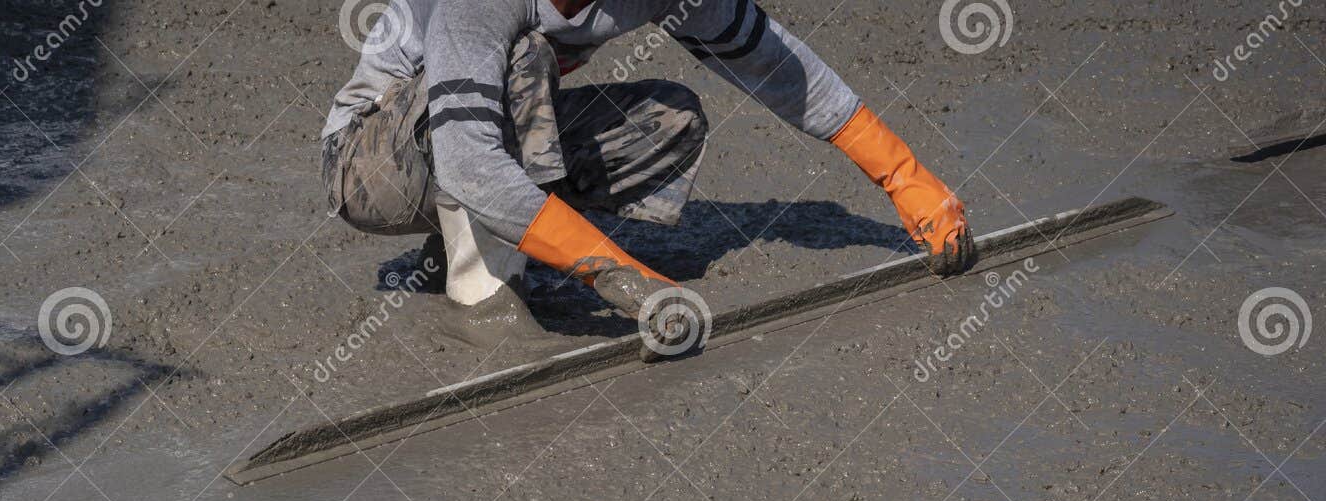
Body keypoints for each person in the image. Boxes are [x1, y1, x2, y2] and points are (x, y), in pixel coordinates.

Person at [321, 0, 973, 356]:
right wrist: (618, 276)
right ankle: (480, 297)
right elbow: (469, 159)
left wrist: (903, 175)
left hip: (459, 143)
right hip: (368, 164)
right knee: (525, 61)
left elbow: (774, 64)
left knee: (671, 121)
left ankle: (472, 241)